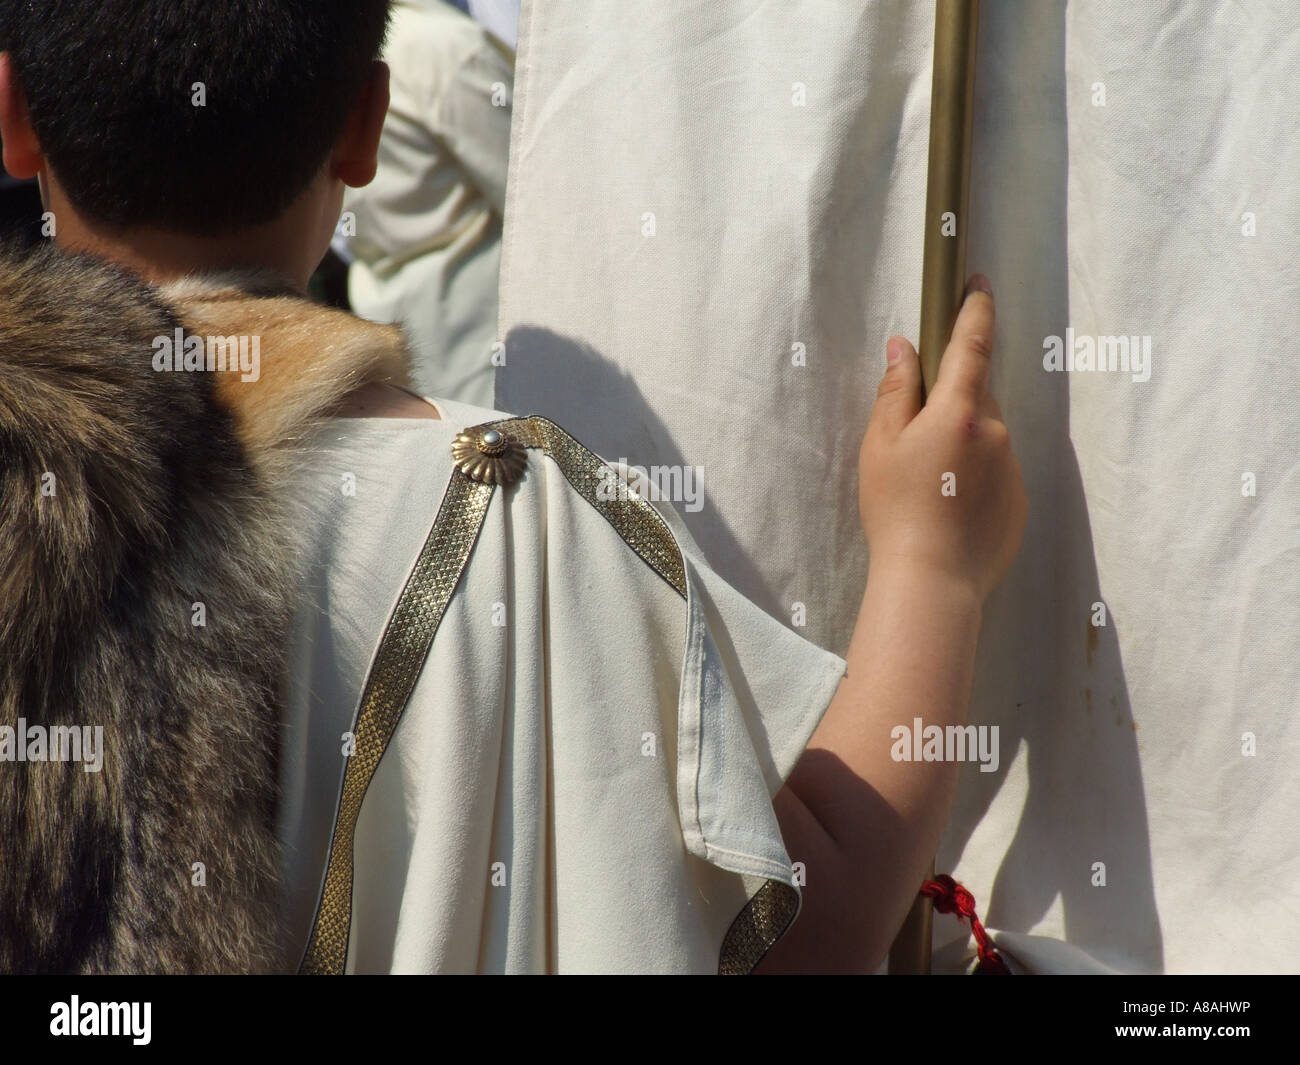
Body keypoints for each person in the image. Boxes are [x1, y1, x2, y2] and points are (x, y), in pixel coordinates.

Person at [0, 0, 1026, 973]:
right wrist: (931, 569)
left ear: (12, 117)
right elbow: (805, 921)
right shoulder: (515, 523)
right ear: (367, 123)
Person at [341, 0, 514, 407]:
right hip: (478, 324)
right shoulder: (443, 45)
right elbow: (534, 197)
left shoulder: (336, 47)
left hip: (388, 318)